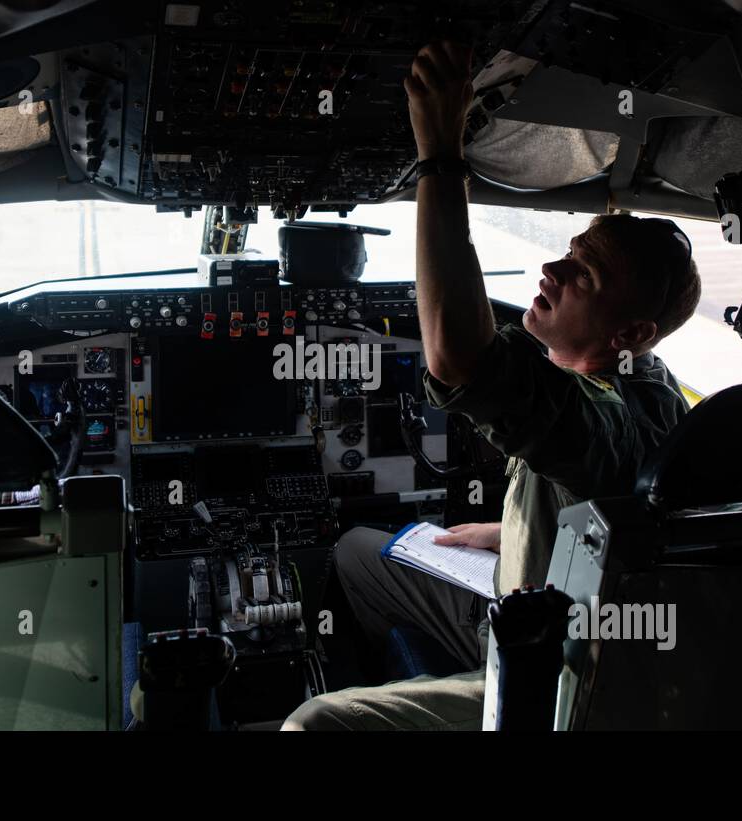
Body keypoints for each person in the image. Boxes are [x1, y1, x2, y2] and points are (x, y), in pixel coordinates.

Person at [283, 40, 702, 730]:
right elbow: (585, 497)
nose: (551, 271)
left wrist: (441, 155)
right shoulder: (648, 378)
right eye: (570, 253)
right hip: (529, 587)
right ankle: (406, 671)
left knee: (313, 724)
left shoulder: (609, 420)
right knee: (357, 549)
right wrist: (511, 533)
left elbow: (458, 358)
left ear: (630, 333)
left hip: (557, 670)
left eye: (583, 276)